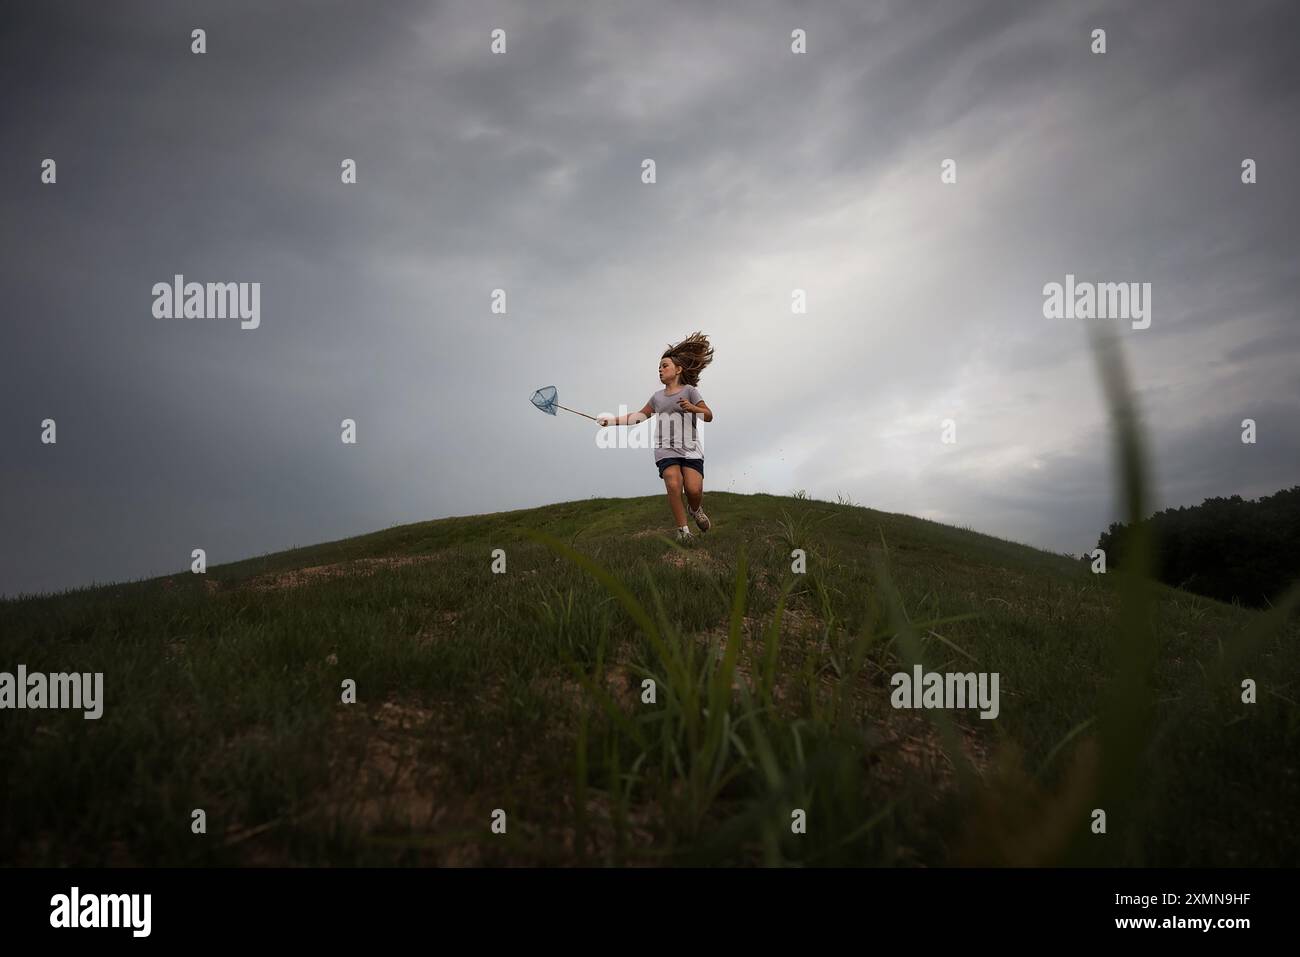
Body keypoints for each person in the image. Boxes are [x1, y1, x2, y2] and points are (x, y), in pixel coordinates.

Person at [598, 332, 714, 542]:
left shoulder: (690, 392)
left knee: (694, 490)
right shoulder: (657, 397)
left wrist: (692, 408)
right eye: (659, 367)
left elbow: (709, 416)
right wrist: (611, 421)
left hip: (690, 449)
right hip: (665, 448)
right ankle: (683, 532)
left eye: (665, 366)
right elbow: (638, 417)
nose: (660, 370)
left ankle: (695, 509)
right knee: (672, 482)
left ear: (678, 369)